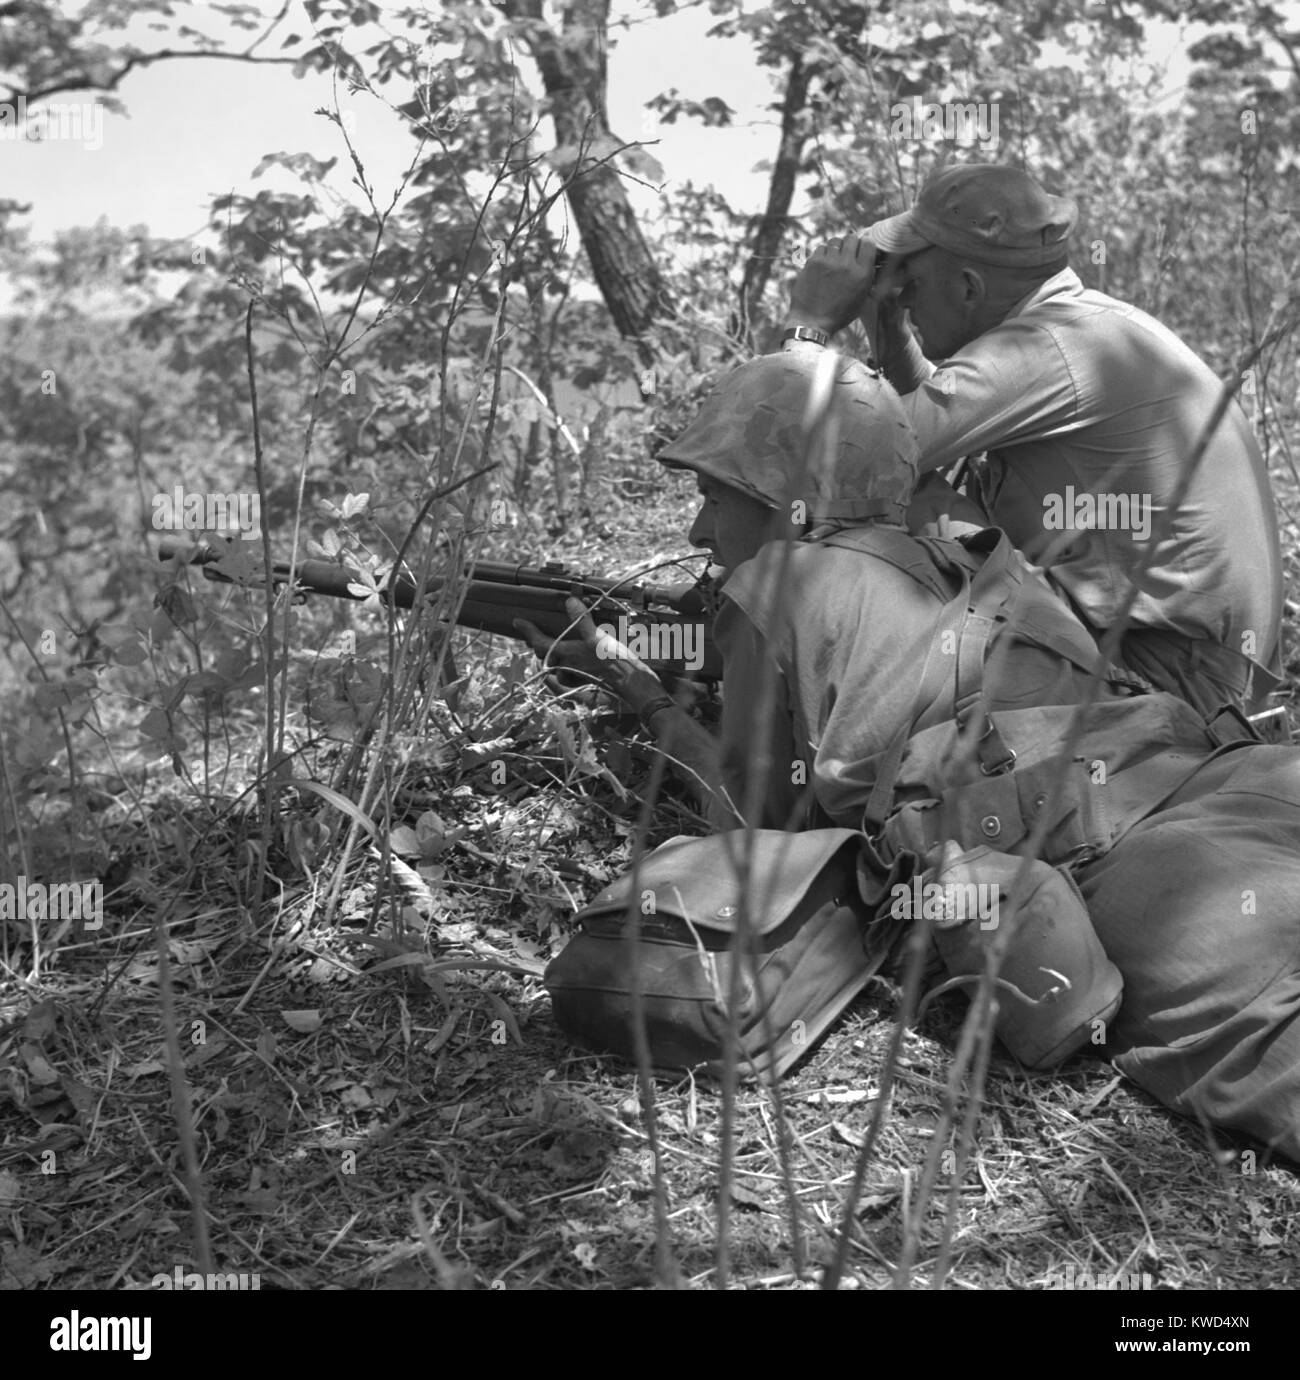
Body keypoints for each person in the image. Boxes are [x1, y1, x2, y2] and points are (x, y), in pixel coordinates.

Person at [521, 347, 1300, 1162]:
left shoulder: (778, 584)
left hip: (1138, 867)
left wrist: (640, 693)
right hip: (1233, 769)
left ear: (786, 501)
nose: (697, 530)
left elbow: (757, 822)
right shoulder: (973, 552)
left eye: (716, 496)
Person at [779, 163, 1285, 720]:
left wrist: (808, 327)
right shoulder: (1086, 328)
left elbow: (863, 453)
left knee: (914, 510)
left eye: (913, 285)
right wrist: (888, 324)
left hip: (1177, 693)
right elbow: (929, 419)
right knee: (920, 500)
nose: (905, 296)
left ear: (970, 287)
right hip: (1212, 678)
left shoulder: (1047, 349)